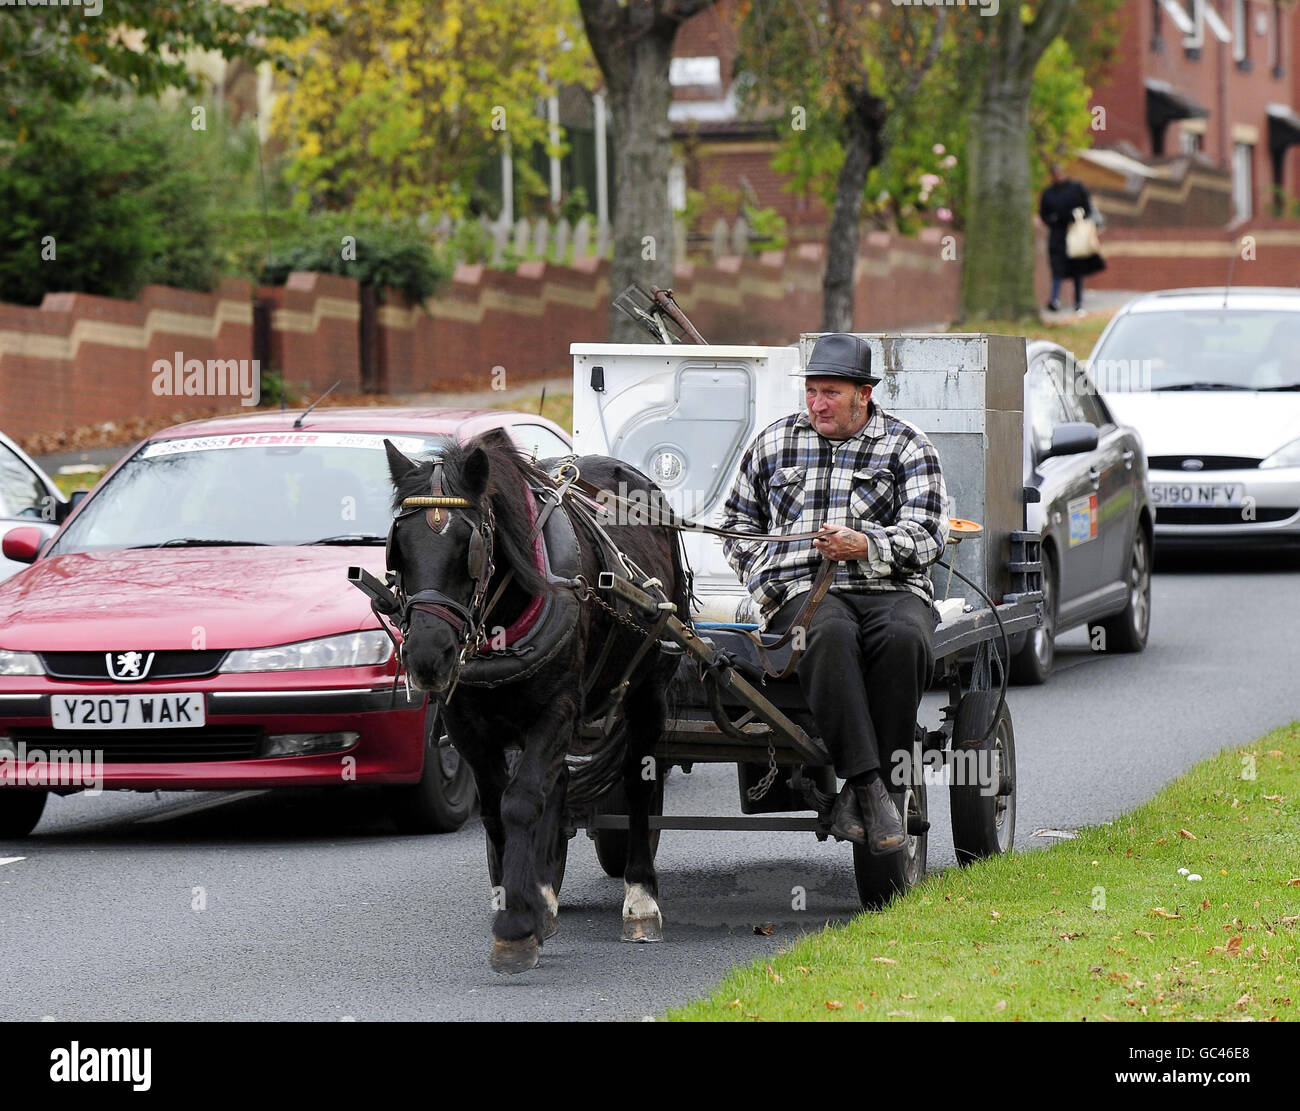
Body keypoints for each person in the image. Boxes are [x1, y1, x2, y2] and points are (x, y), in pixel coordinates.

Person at [719, 333, 950, 855]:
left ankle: (866, 791)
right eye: (812, 391)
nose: (818, 404)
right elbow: (735, 523)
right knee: (826, 633)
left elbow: (930, 534)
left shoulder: (908, 446)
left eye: (830, 393)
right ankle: (871, 785)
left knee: (904, 639)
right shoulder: (774, 442)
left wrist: (866, 544)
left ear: (863, 395)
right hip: (802, 590)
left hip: (889, 584)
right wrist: (768, 581)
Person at [1038, 162, 1105, 315]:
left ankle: (1078, 303)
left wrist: (1077, 216)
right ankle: (1054, 300)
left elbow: (1087, 207)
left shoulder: (1076, 188)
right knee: (1057, 268)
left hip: (1075, 233)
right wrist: (1054, 220)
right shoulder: (1048, 193)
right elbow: (1044, 214)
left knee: (1077, 269)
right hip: (1057, 235)